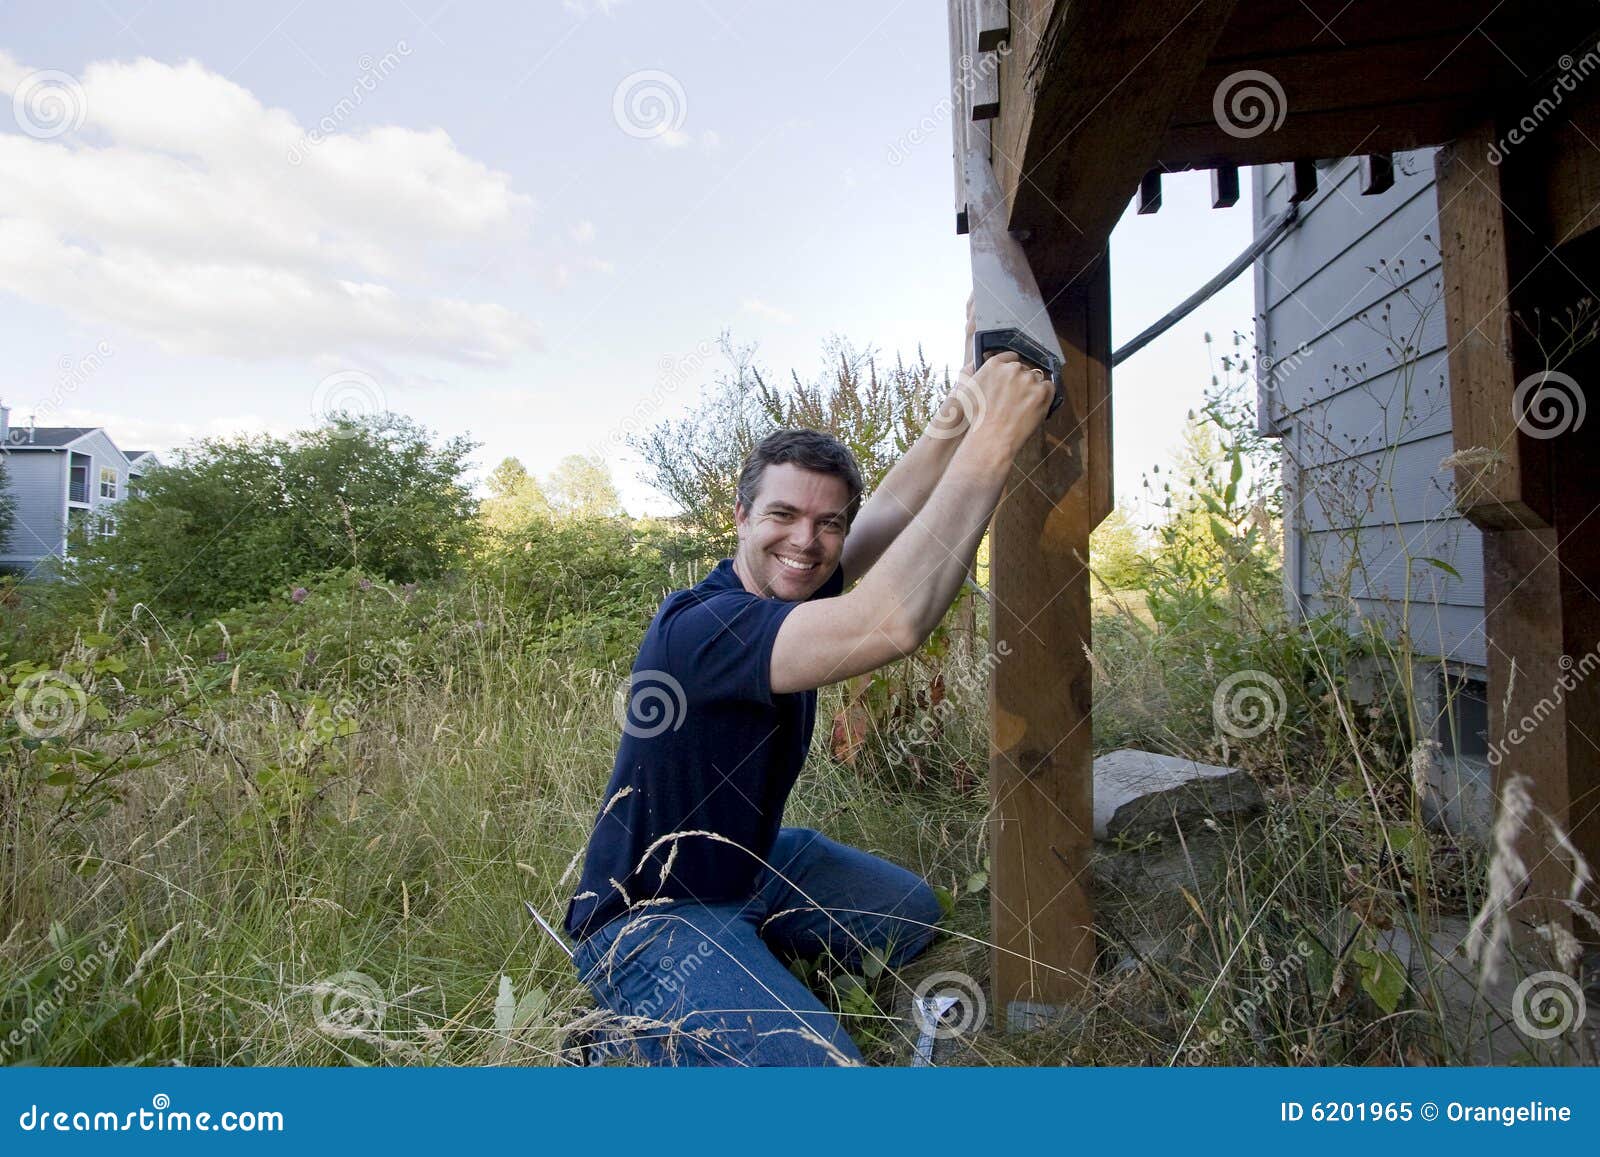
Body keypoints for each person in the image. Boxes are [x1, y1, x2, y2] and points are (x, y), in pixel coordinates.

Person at [562, 309, 1055, 1065]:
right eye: (784, 515)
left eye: (829, 523)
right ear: (740, 516)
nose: (806, 541)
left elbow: (890, 510)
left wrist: (964, 406)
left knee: (910, 915)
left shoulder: (797, 589)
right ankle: (630, 1039)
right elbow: (891, 620)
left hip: (750, 865)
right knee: (823, 1074)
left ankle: (740, 961)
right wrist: (996, 443)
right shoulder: (703, 627)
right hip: (648, 917)